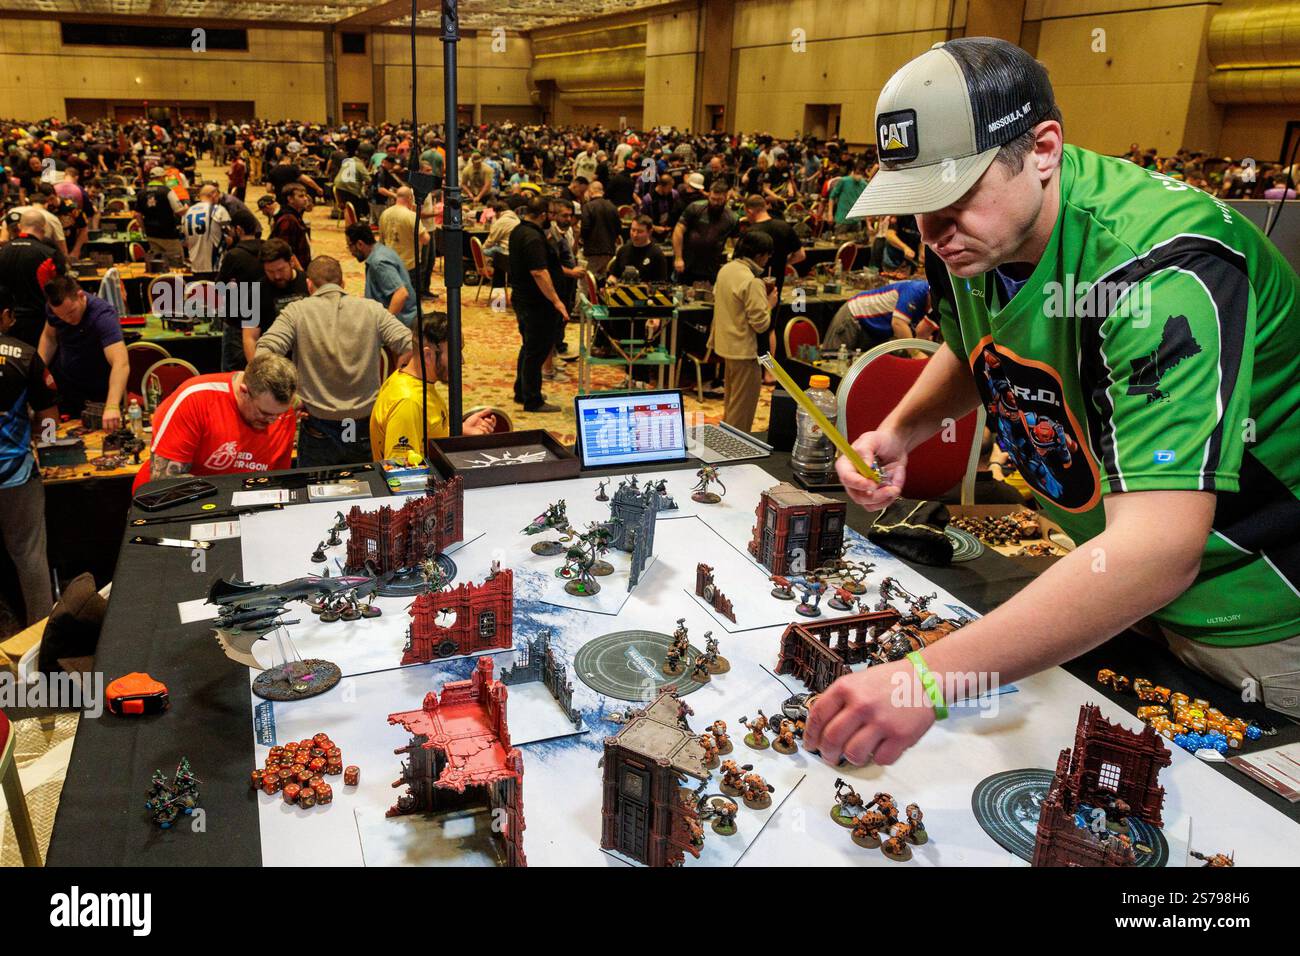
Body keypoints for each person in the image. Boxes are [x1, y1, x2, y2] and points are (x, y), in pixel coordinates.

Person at [804, 37, 1300, 771]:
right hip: (1105, 578)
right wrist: (903, 431)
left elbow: (1159, 553)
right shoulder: (983, 236)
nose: (933, 236)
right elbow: (983, 342)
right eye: (915, 209)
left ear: (1041, 149)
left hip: (1249, 612)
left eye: (951, 199)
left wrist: (929, 683)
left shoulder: (1163, 272)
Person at [255, 256, 412, 467]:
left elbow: (263, 354)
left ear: (309, 284)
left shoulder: (296, 311)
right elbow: (411, 346)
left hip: (317, 426)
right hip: (365, 423)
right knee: (367, 491)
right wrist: (394, 385)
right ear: (343, 283)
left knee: (316, 494)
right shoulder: (372, 309)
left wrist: (289, 398)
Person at [133, 352, 298, 492]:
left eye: (280, 414)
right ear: (244, 392)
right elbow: (163, 480)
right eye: (264, 413)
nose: (273, 420)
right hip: (167, 499)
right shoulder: (195, 399)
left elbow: (276, 481)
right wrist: (228, 497)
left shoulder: (282, 413)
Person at [0, 287, 56, 624]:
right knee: (30, 557)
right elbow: (48, 413)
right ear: (5, 315)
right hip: (16, 477)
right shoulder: (23, 355)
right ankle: (41, 638)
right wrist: (47, 450)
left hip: (16, 477)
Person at [370, 311, 497, 460]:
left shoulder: (411, 380)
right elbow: (401, 474)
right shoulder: (408, 402)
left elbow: (424, 433)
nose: (461, 361)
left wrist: (461, 430)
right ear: (428, 355)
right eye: (454, 353)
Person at [707, 230, 776, 431]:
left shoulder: (726, 270)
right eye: (767, 255)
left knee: (732, 404)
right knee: (742, 412)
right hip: (745, 352)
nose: (767, 259)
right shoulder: (752, 281)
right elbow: (761, 323)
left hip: (726, 347)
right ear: (759, 254)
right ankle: (735, 453)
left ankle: (727, 446)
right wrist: (770, 303)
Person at [38, 276, 129, 426]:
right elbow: (49, 338)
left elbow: (121, 363)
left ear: (81, 296)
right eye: (61, 316)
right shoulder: (55, 309)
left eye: (71, 312)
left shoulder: (103, 315)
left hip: (99, 391)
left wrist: (112, 406)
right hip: (68, 387)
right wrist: (38, 370)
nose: (67, 319)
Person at [508, 195, 567, 413]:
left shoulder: (518, 230)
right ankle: (533, 400)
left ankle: (522, 391)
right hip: (536, 303)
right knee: (537, 351)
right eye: (551, 213)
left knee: (529, 347)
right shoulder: (532, 237)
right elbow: (539, 273)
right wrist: (557, 301)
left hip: (525, 300)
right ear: (543, 215)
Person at [0, 209, 65, 346]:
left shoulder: (3, 252)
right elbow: (59, 292)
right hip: (41, 325)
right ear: (44, 227)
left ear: (19, 226)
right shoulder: (49, 254)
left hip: (9, 323)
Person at [241, 239, 310, 364]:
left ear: (292, 262)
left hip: (307, 358)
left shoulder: (308, 283)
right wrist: (256, 370)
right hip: (275, 361)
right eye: (270, 272)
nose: (277, 276)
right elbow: (250, 337)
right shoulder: (255, 291)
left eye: (281, 270)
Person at [820, 279, 932, 351]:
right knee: (832, 359)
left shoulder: (936, 304)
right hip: (853, 316)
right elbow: (898, 324)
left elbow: (922, 333)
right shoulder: (916, 290)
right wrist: (915, 353)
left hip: (875, 331)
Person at [345, 222, 419, 328]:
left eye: (350, 246)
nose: (350, 251)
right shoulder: (380, 250)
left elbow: (401, 294)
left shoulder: (378, 262)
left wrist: (384, 327)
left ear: (360, 244)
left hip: (403, 324)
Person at [673, 179, 739, 284]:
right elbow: (678, 230)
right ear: (709, 195)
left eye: (719, 200)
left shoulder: (732, 218)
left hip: (712, 266)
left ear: (726, 198)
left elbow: (737, 243)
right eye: (713, 199)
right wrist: (678, 258)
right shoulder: (695, 207)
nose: (715, 203)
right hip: (688, 263)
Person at [134, 166, 184, 265]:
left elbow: (137, 215)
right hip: (168, 235)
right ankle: (173, 280)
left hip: (151, 234)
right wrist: (186, 209)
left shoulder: (141, 193)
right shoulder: (167, 191)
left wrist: (145, 230)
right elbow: (178, 211)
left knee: (157, 264)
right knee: (176, 263)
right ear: (161, 177)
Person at [181, 183, 231, 279]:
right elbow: (229, 238)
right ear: (214, 195)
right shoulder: (218, 210)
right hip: (215, 266)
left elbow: (184, 242)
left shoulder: (187, 212)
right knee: (215, 293)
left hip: (195, 266)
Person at [378, 186, 430, 278]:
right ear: (410, 198)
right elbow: (425, 239)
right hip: (408, 265)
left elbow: (381, 240)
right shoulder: (411, 216)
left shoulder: (385, 213)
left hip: (390, 262)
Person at [605, 215, 668, 283]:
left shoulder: (656, 254)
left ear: (649, 232)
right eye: (633, 230)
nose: (635, 235)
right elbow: (614, 275)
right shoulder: (623, 250)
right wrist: (611, 281)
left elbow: (661, 283)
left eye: (640, 231)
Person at [580, 180, 622, 278]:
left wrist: (582, 240)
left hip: (592, 251)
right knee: (602, 280)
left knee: (586, 282)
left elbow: (585, 228)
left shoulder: (588, 207)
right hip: (609, 251)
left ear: (590, 191)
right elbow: (618, 229)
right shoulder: (613, 207)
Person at [271, 184, 312, 270]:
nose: (305, 199)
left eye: (305, 196)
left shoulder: (295, 215)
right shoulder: (288, 219)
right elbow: (286, 250)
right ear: (290, 199)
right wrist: (300, 271)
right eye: (301, 196)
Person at [828, 162, 868, 228]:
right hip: (842, 220)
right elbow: (832, 197)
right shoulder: (844, 181)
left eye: (861, 173)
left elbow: (865, 203)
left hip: (856, 221)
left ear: (864, 173)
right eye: (857, 173)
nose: (858, 175)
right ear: (853, 171)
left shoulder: (864, 185)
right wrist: (830, 214)